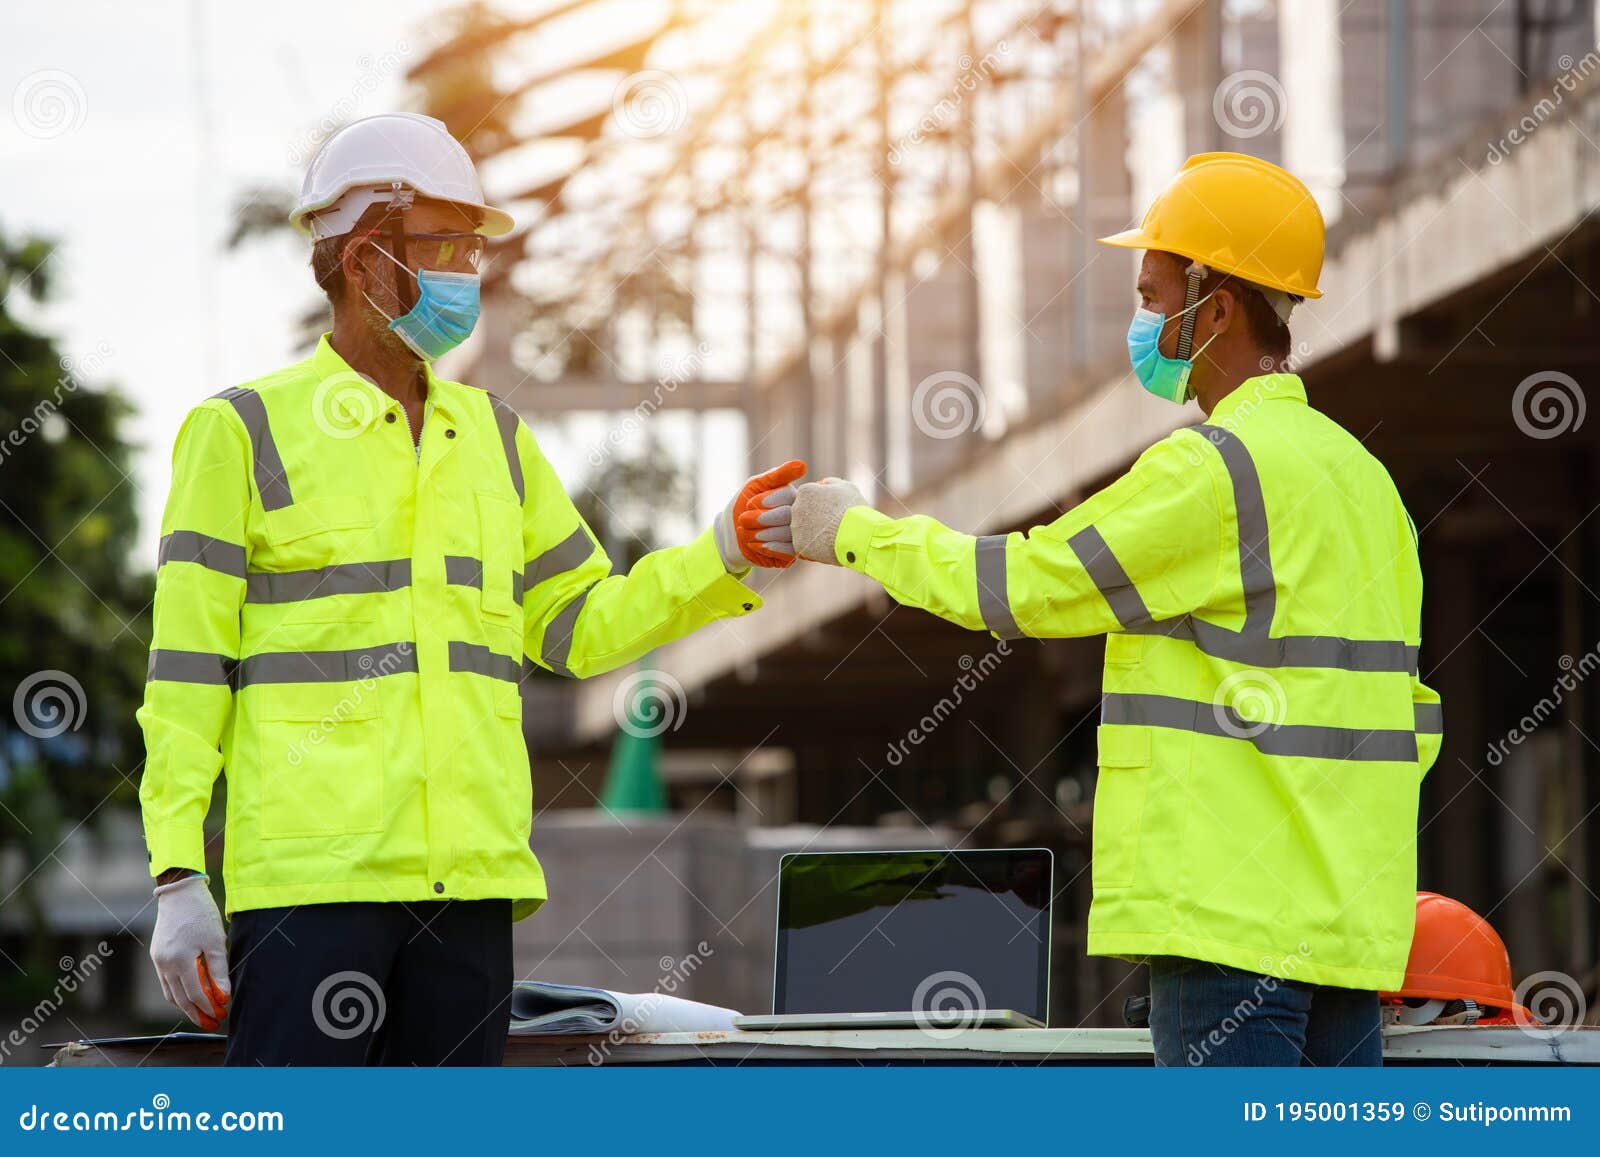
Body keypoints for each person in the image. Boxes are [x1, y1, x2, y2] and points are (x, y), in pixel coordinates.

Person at [138, 113, 803, 1066]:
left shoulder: (492, 437)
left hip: (469, 892)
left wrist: (720, 556)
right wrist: (175, 874)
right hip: (312, 892)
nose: (466, 272)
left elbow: (577, 626)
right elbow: (188, 672)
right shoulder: (241, 432)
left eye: (470, 248)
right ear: (365, 259)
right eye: (443, 245)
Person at [789, 152, 1443, 1067]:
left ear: (1216, 307)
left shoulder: (1212, 469)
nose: (1141, 319)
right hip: (1346, 937)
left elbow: (1018, 585)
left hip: (1229, 932)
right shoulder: (1368, 486)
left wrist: (856, 533)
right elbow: (1411, 722)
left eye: (1153, 292)